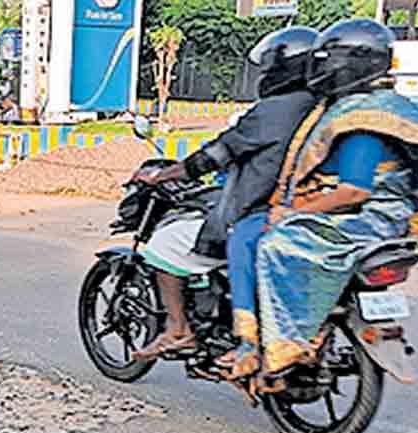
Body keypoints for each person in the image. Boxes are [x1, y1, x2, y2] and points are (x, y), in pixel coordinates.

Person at [244, 18, 418, 383]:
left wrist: (292, 211)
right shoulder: (387, 106)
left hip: (365, 220)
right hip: (387, 217)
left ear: (344, 66)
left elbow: (353, 191)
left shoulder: (362, 120)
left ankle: (287, 341)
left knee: (273, 245)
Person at [132, 26, 321, 360]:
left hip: (258, 210)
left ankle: (178, 329)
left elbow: (218, 153)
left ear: (281, 69)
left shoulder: (274, 110)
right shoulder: (322, 107)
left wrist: (165, 173)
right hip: (308, 213)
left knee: (165, 244)